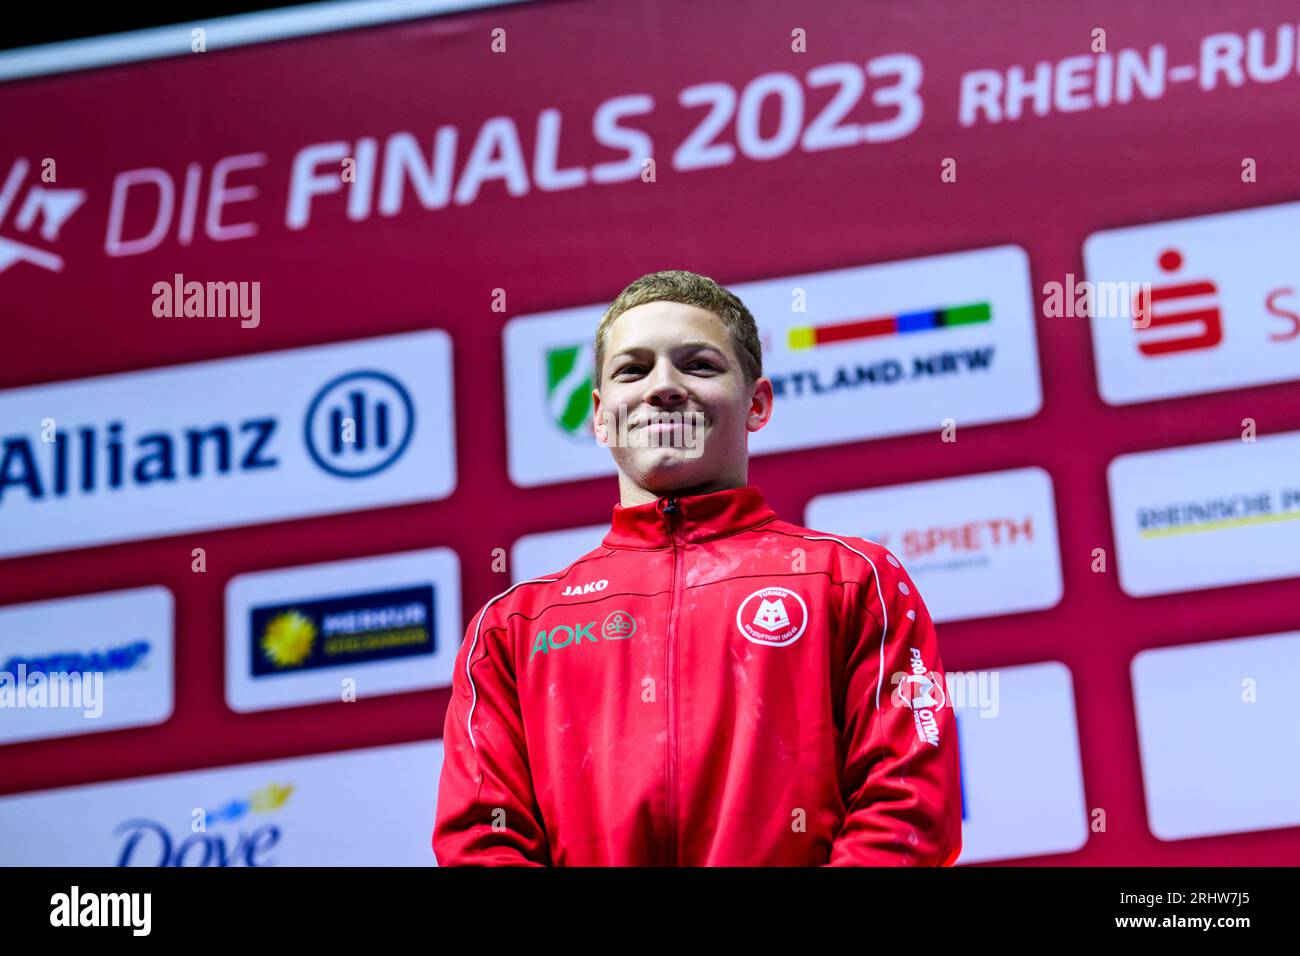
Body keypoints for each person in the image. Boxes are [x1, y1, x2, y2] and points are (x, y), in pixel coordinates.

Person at [433, 269, 962, 866]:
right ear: (600, 417)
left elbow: (908, 809)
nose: (664, 387)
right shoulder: (512, 630)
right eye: (633, 369)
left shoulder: (851, 581)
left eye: (699, 365)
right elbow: (483, 841)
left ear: (757, 403)